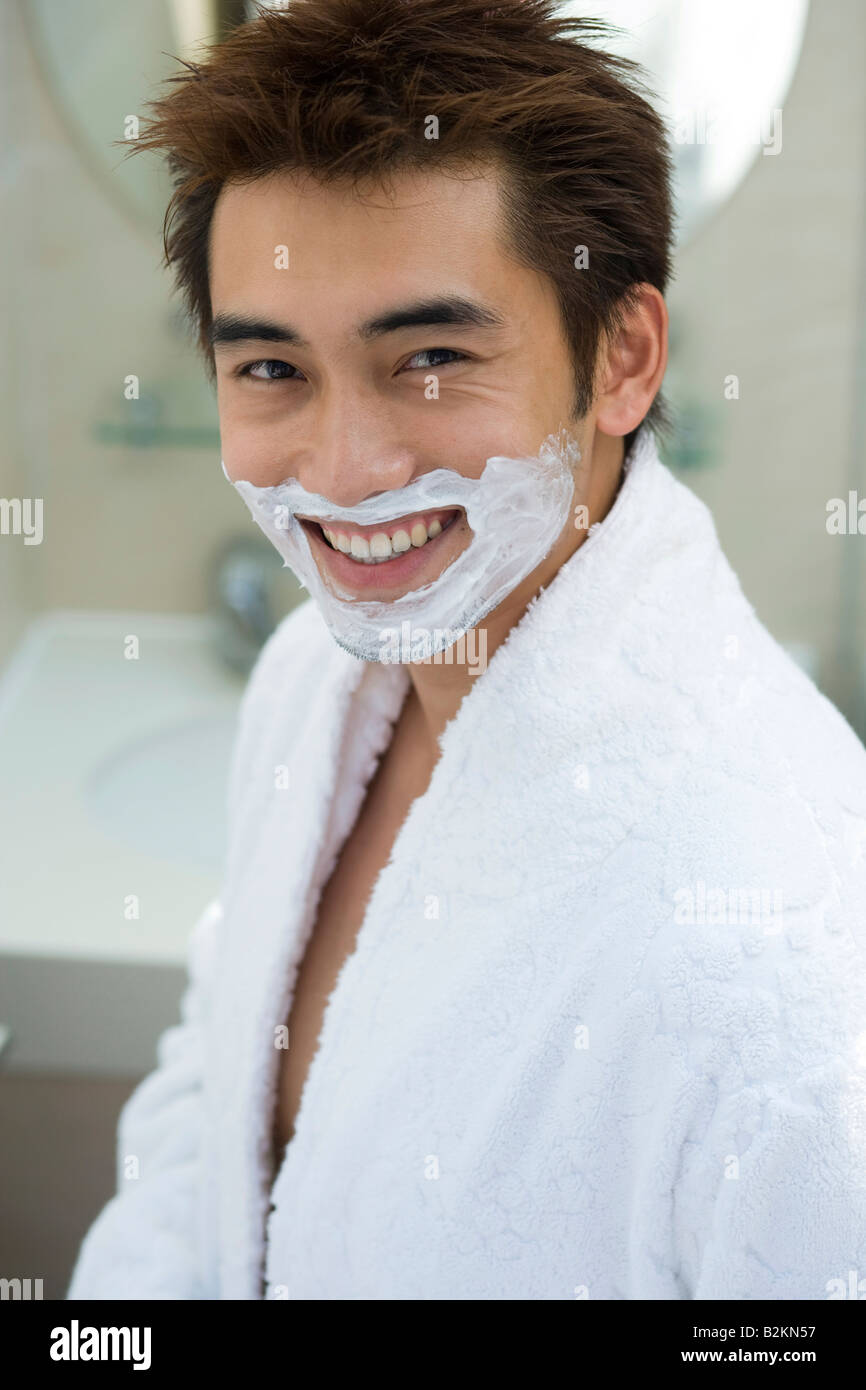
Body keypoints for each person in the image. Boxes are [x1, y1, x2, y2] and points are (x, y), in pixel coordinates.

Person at [68, 0, 866, 1300]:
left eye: (430, 357)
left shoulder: (787, 961)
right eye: (270, 368)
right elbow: (219, 1094)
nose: (341, 470)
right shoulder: (315, 683)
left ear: (622, 355)